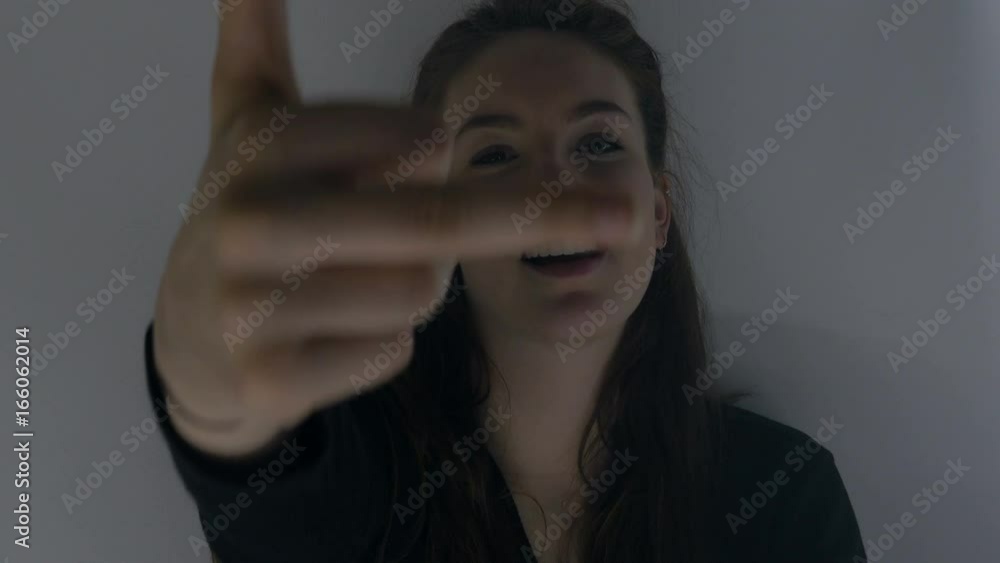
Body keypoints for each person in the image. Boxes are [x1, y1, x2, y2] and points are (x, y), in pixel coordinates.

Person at [146, 1, 865, 561]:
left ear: (658, 212)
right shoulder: (362, 486)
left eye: (598, 143)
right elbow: (275, 508)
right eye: (494, 155)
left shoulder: (783, 493)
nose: (550, 191)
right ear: (434, 219)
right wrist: (212, 394)